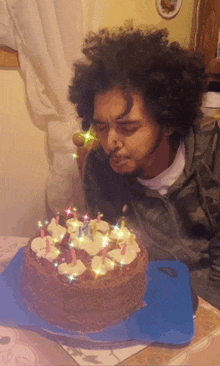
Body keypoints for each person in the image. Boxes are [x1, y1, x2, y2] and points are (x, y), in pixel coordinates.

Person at [69, 26, 220, 309]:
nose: (110, 141)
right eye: (101, 126)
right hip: (143, 298)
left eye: (128, 127)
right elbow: (110, 252)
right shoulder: (100, 170)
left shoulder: (214, 157)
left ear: (168, 121)